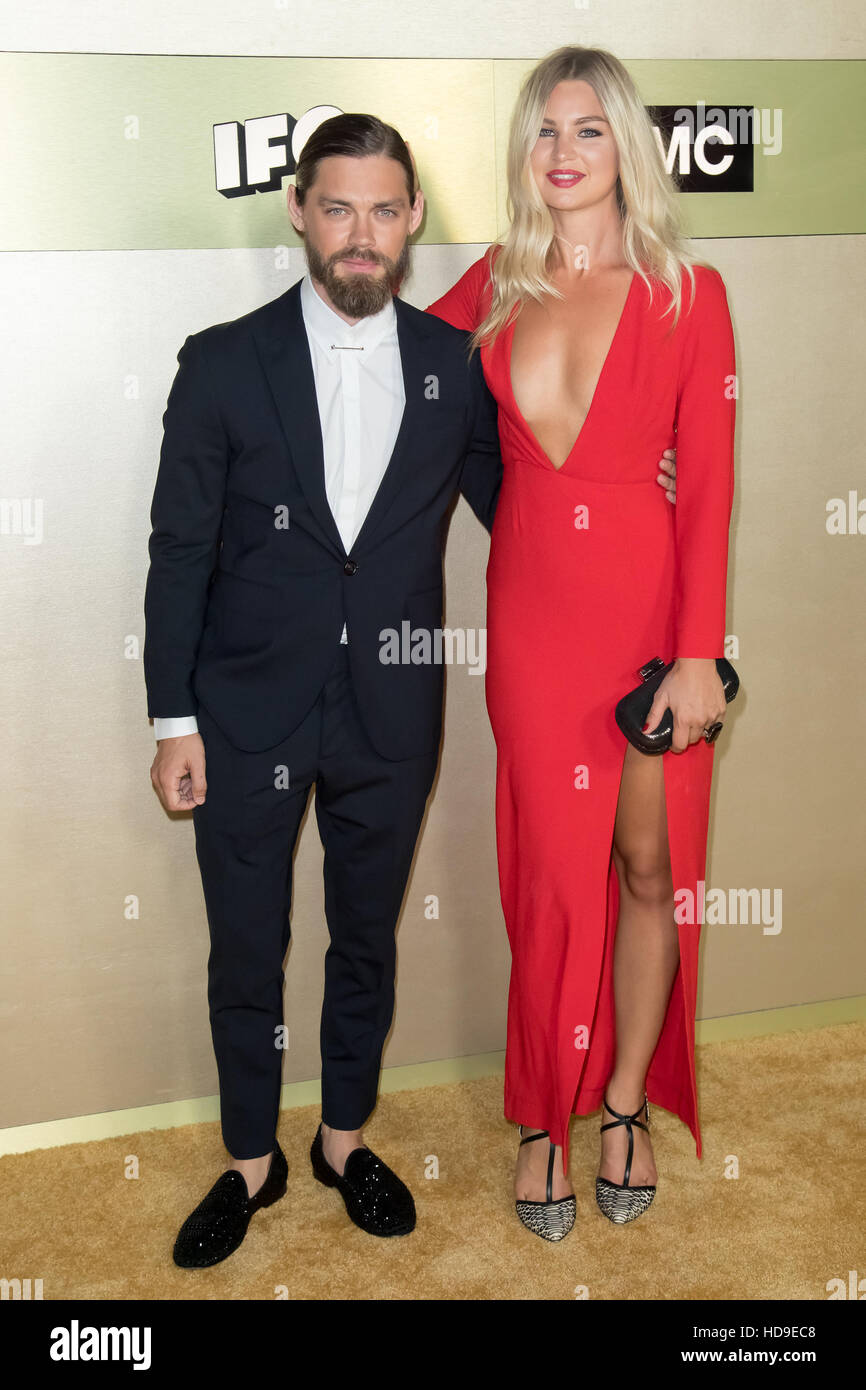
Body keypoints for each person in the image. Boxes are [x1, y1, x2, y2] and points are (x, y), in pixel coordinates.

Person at [144, 111, 677, 1267]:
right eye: (337, 207)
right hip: (241, 713)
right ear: (298, 211)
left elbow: (527, 496)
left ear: (412, 222)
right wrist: (172, 719)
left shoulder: (452, 369)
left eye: (384, 211)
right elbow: (176, 552)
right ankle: (249, 1157)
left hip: (391, 709)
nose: (359, 235)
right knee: (246, 942)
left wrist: (635, 486)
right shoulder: (223, 361)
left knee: (363, 939)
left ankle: (341, 1138)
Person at [427, 45, 736, 1240]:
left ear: (624, 152)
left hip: (651, 624)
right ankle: (538, 1116)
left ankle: (620, 1105)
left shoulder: (684, 294)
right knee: (548, 880)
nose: (560, 153)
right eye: (543, 132)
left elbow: (704, 487)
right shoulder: (489, 284)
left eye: (586, 131)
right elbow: (404, 390)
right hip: (532, 623)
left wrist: (699, 653)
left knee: (648, 868)